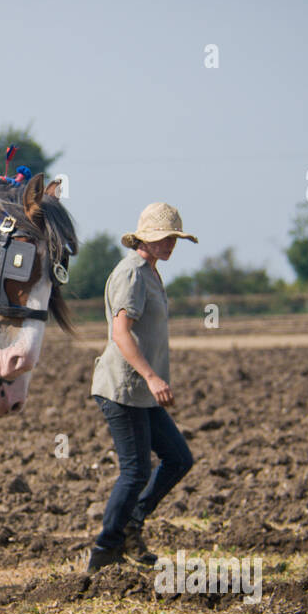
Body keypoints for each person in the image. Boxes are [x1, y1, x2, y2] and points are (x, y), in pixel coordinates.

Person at [87, 202, 197, 572]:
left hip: (142, 393)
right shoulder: (132, 272)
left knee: (179, 458)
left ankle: (131, 524)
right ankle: (105, 552)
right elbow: (121, 333)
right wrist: (152, 376)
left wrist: (151, 382)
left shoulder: (150, 271)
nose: (169, 243)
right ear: (144, 238)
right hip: (123, 388)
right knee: (135, 471)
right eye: (163, 237)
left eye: (174, 238)